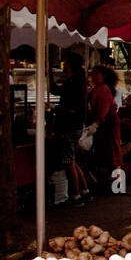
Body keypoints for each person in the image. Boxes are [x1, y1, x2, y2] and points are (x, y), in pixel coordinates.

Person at [51, 53, 89, 205]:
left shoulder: (72, 84)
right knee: (72, 160)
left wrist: (57, 108)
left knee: (68, 162)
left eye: (65, 63)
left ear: (70, 65)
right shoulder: (78, 82)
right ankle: (84, 189)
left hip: (68, 127)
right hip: (76, 126)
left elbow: (70, 108)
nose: (63, 66)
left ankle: (75, 195)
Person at [85, 66, 123, 194]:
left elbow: (103, 111)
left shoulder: (103, 90)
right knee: (106, 153)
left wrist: (95, 125)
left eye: (97, 74)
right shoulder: (96, 89)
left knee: (113, 153)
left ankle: (117, 185)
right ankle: (110, 183)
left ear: (103, 76)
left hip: (109, 124)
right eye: (92, 74)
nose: (93, 76)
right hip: (103, 124)